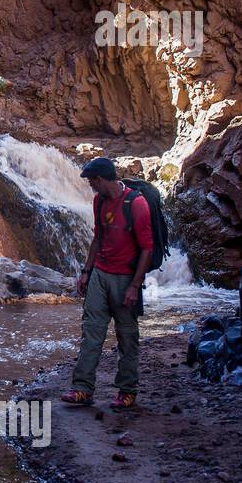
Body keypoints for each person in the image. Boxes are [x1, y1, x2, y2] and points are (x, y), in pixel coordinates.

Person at [62, 157, 153, 410]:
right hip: (100, 275)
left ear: (102, 179)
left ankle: (127, 390)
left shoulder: (137, 204)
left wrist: (135, 286)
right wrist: (86, 271)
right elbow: (97, 238)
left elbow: (147, 248)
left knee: (127, 336)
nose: (91, 186)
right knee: (91, 332)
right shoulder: (99, 201)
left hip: (126, 278)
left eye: (92, 182)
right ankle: (82, 389)